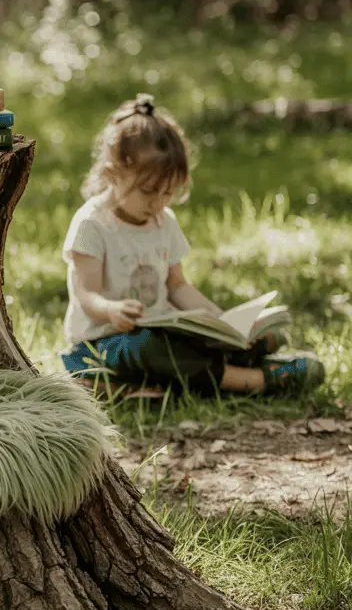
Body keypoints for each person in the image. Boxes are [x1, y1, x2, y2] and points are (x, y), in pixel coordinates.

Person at [61, 93, 325, 397]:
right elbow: (85, 294)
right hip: (103, 343)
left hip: (160, 332)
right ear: (113, 174)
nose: (158, 203)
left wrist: (221, 322)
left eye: (167, 193)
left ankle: (239, 351)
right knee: (149, 348)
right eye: (148, 192)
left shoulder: (164, 221)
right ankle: (253, 380)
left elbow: (177, 286)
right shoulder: (92, 224)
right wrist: (111, 310)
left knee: (185, 344)